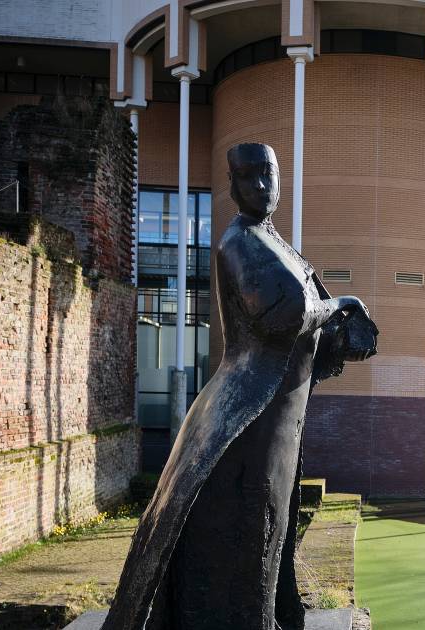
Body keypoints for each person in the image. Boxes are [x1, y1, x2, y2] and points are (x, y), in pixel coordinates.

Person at [104, 143, 378, 629]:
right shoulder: (240, 242)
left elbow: (304, 316)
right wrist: (342, 304)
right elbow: (285, 313)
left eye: (268, 175)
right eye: (248, 178)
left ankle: (263, 617)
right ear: (232, 185)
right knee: (249, 524)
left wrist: (339, 332)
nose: (261, 187)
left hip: (277, 412)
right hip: (250, 409)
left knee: (268, 528)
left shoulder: (272, 238)